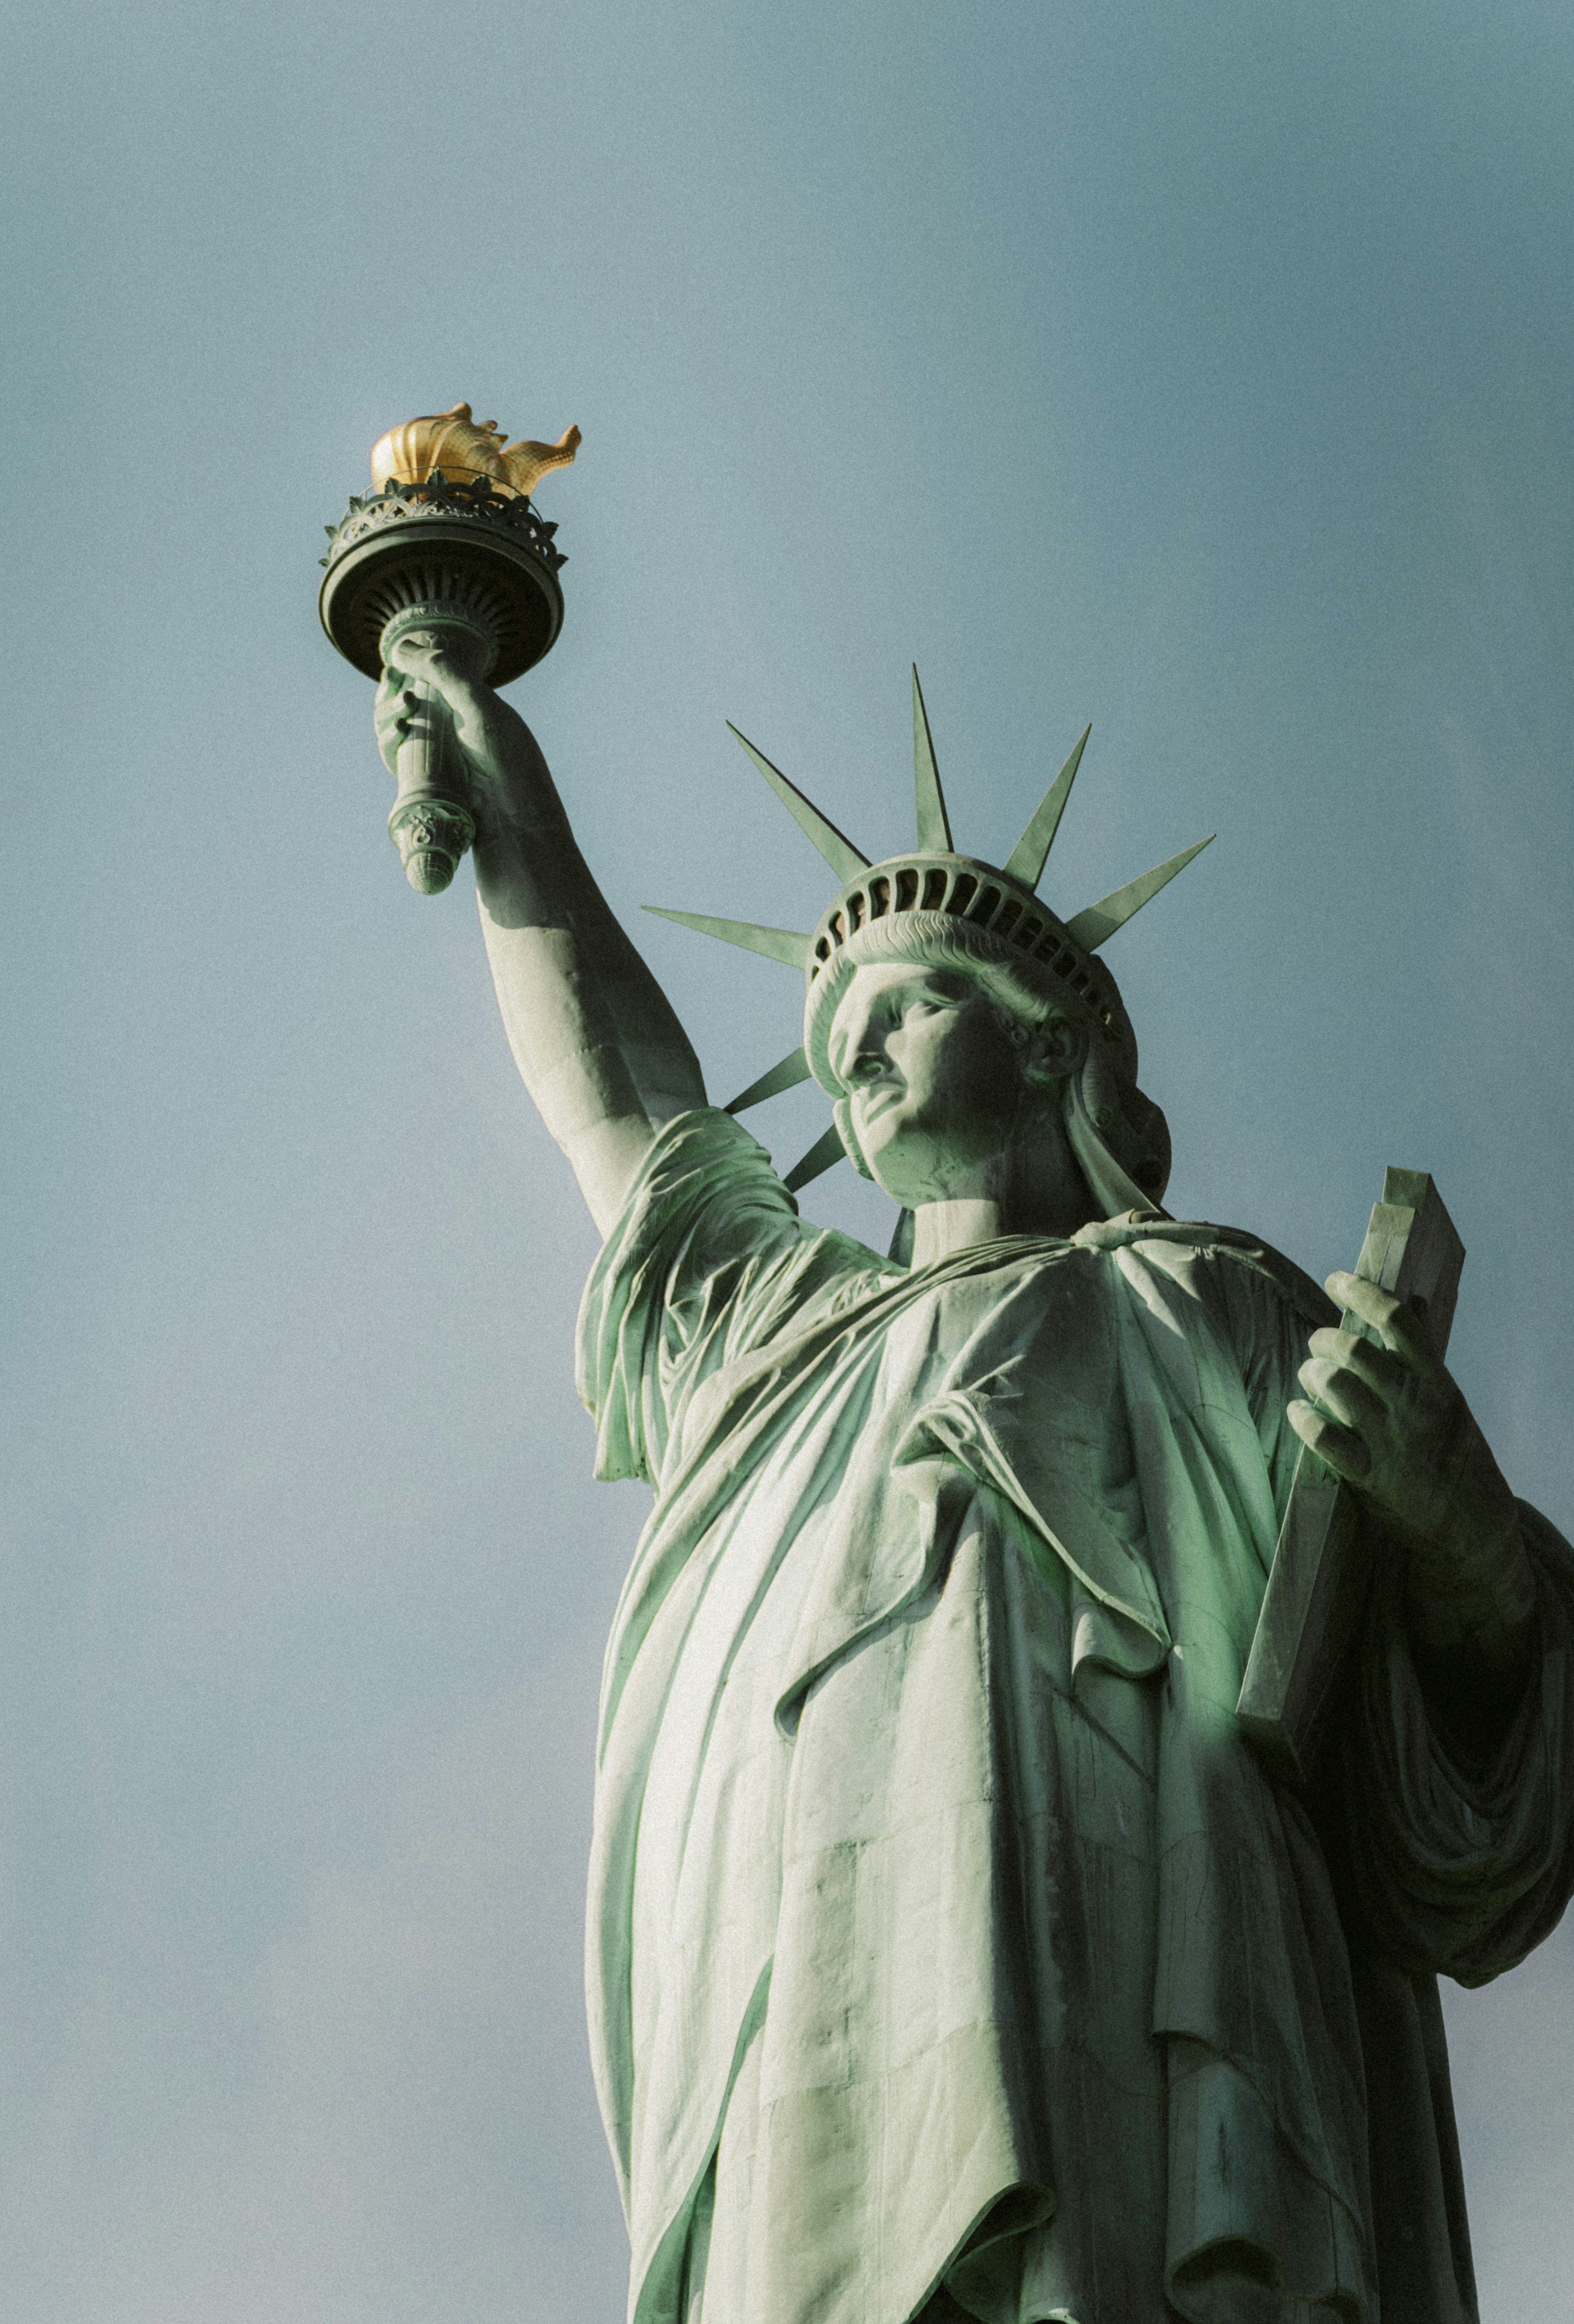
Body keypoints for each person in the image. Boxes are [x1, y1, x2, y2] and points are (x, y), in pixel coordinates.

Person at [377, 631, 1574, 2324]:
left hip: (1170, 1928)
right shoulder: (784, 1331)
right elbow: (628, 1122)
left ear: (1049, 1050)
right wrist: (512, 814)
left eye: (908, 1003)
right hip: (819, 1959)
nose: (858, 1055)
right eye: (837, 1030)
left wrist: (1454, 1535)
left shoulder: (1213, 1299)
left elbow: (1465, 1773)